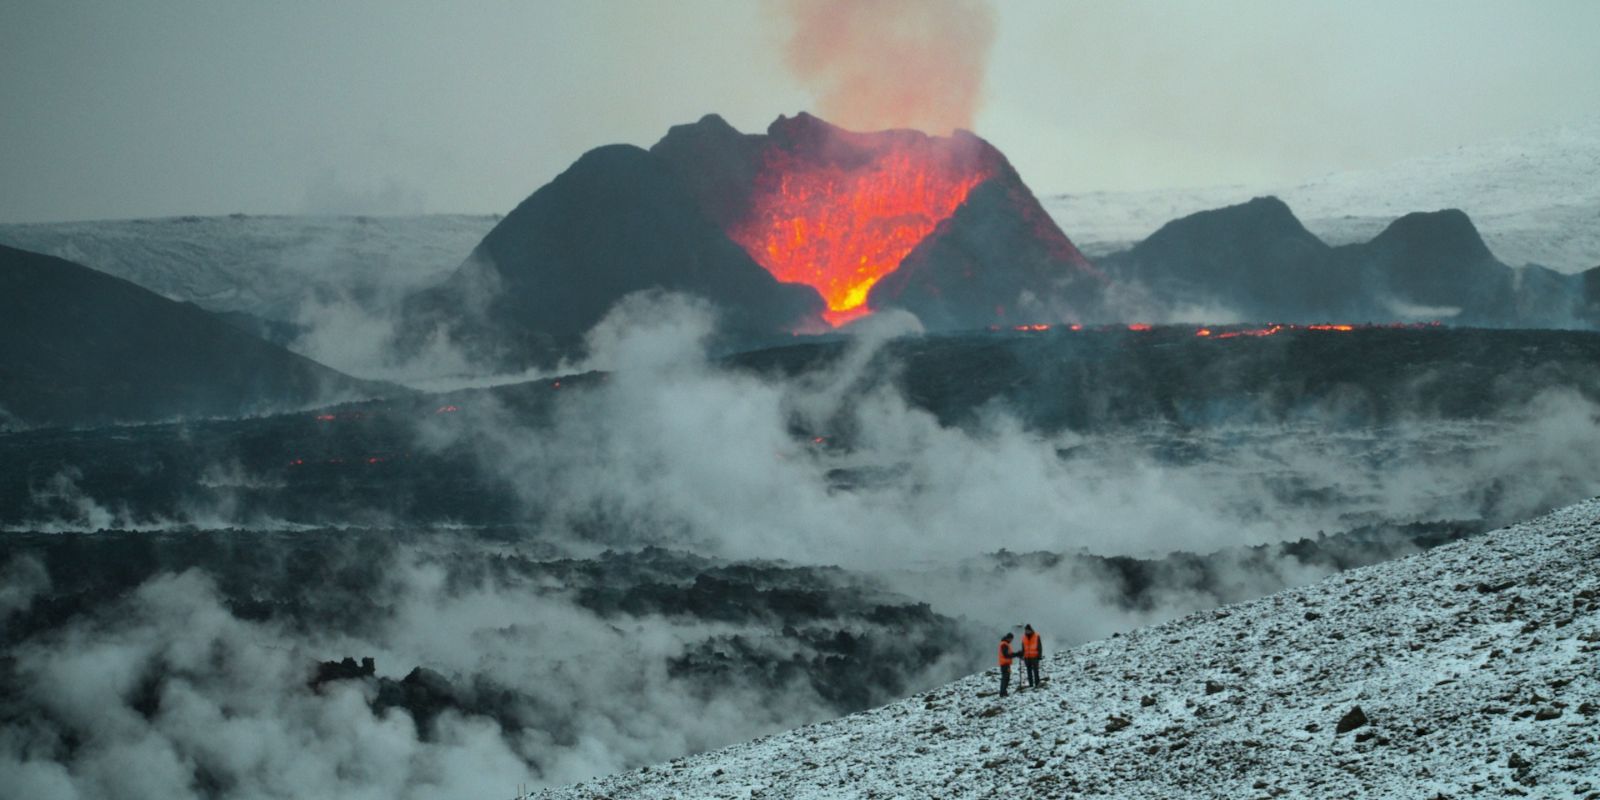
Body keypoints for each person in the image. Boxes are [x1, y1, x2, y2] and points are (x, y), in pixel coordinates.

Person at [1020, 624, 1043, 689]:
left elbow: (1039, 646)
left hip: (1035, 657)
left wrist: (1039, 655)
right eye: (1026, 630)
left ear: (1030, 630)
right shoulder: (1023, 637)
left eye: (1028, 630)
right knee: (1029, 671)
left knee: (1036, 671)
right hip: (1027, 657)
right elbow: (1023, 647)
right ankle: (1031, 684)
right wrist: (1022, 655)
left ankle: (1037, 683)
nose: (1027, 631)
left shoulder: (1036, 636)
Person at [997, 632, 1017, 697]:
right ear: (1009, 638)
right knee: (1005, 678)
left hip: (1005, 664)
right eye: (1011, 639)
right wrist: (1015, 655)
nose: (1012, 641)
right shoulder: (1004, 644)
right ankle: (1003, 693)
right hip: (1005, 664)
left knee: (1006, 678)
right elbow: (1006, 654)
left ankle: (1003, 692)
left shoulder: (1004, 643)